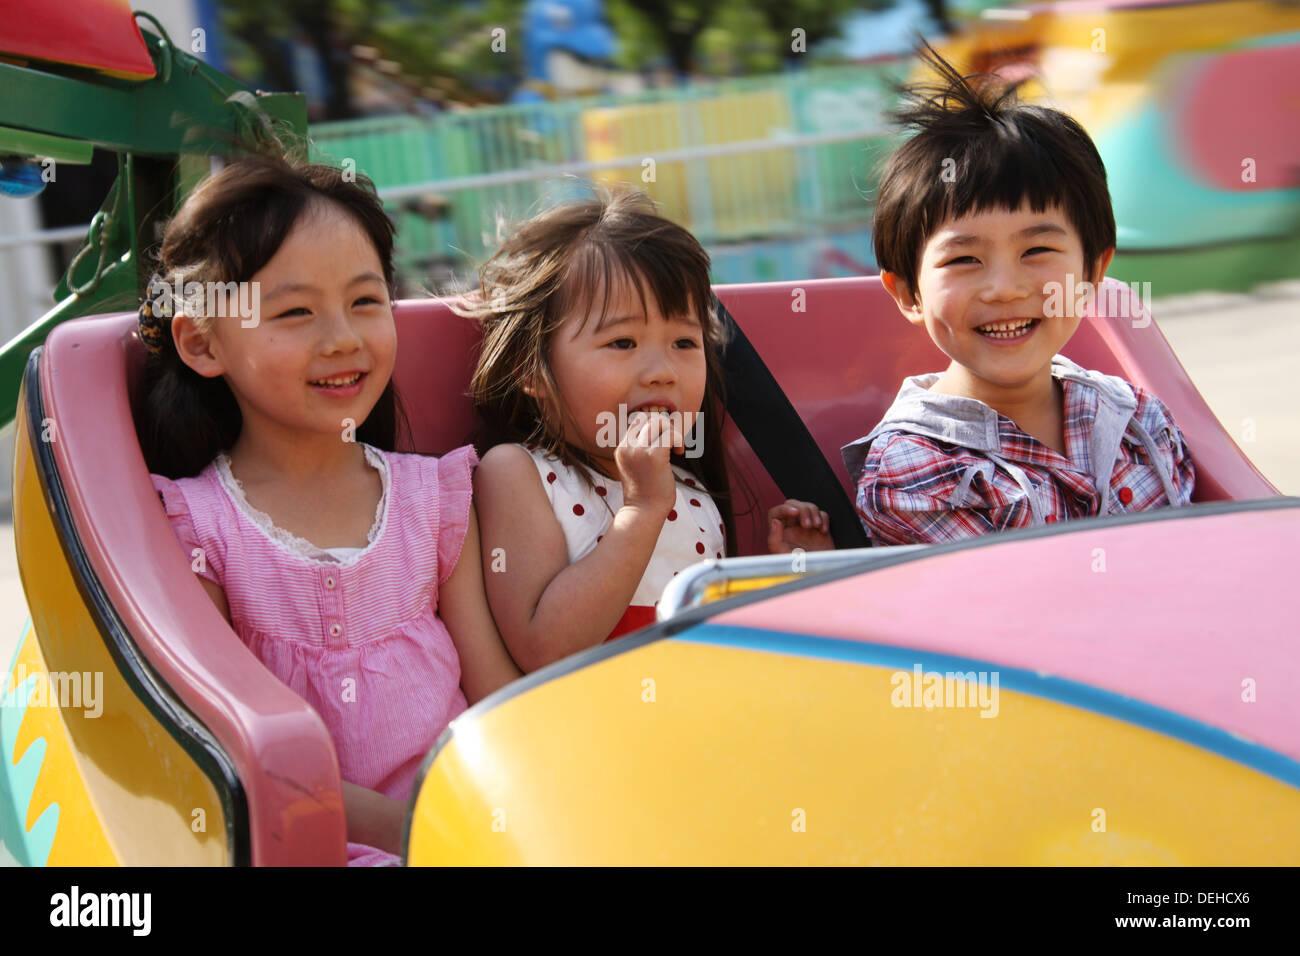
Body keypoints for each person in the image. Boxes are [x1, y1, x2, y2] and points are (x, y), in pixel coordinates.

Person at [140, 157, 520, 865]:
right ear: (201, 343)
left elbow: (494, 689)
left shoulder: (433, 499)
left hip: (471, 821)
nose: (343, 337)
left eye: (366, 302)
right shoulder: (196, 527)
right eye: (295, 312)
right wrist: (423, 833)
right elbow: (237, 744)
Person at [460, 189, 832, 672]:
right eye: (622, 342)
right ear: (529, 367)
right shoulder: (518, 472)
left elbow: (725, 650)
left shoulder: (691, 489)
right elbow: (546, 650)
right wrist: (642, 509)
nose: (663, 371)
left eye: (683, 341)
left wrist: (789, 571)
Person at [842, 46, 1195, 545]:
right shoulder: (915, 472)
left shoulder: (1139, 419)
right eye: (964, 259)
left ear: (1094, 270)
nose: (1005, 288)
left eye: (1038, 249)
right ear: (908, 292)